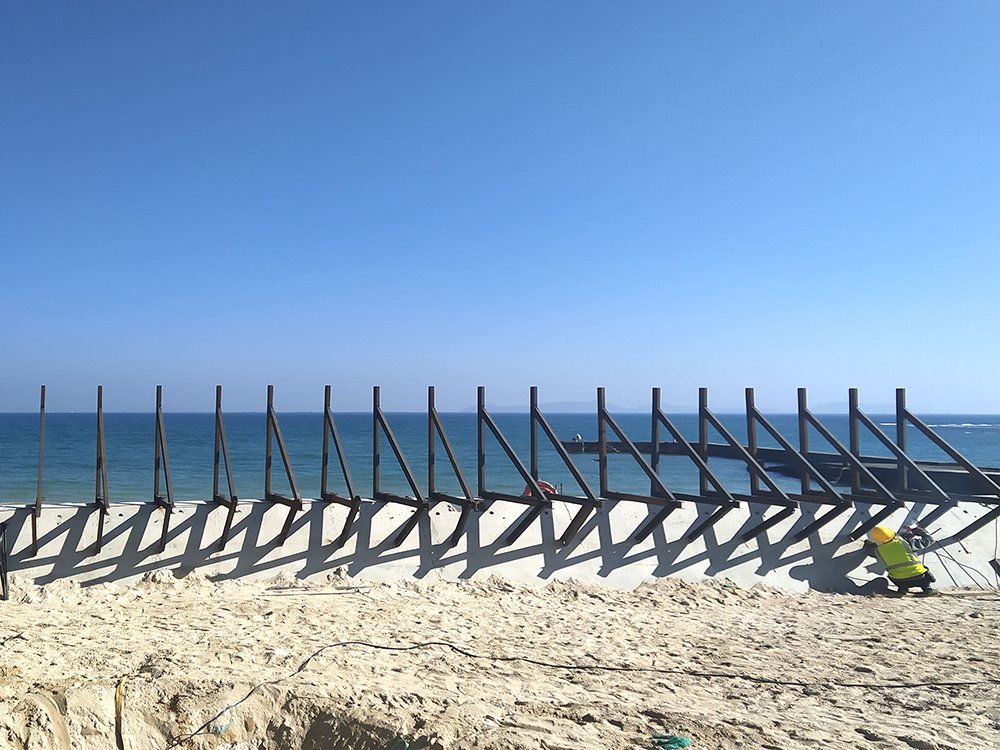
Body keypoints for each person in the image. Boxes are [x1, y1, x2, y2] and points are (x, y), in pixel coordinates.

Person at [868, 526, 936, 594]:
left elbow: (870, 552)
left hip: (899, 580)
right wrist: (917, 531)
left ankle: (903, 590)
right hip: (919, 577)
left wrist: (868, 544)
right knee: (923, 570)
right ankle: (927, 589)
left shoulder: (877, 550)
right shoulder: (905, 543)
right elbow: (929, 540)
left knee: (895, 574)